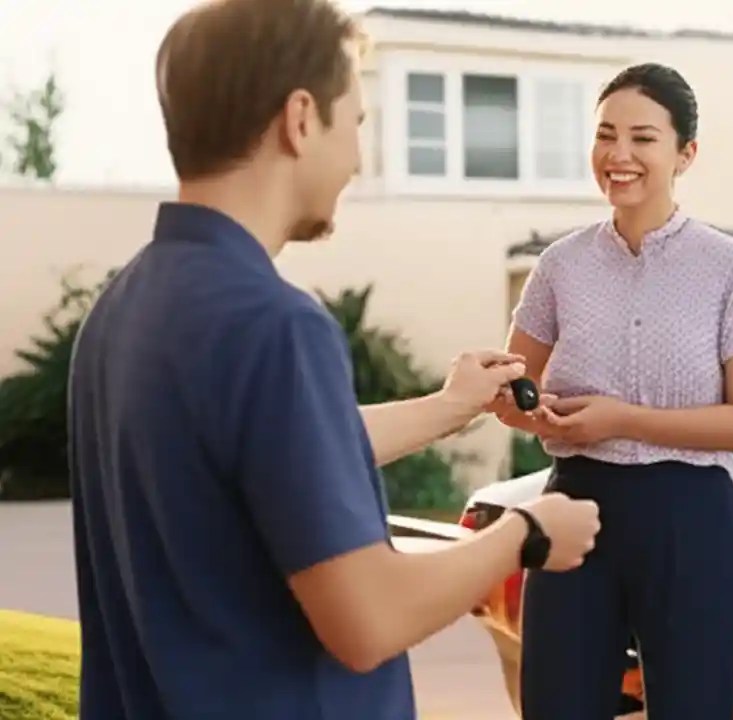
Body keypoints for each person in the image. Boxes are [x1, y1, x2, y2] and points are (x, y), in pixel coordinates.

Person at [67, 1, 600, 719]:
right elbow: (368, 620)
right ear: (299, 119)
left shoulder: (122, 311)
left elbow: (272, 456)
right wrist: (525, 536)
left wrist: (449, 408)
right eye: (355, 124)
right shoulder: (276, 325)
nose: (355, 157)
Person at [491, 62, 733, 719]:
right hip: (574, 505)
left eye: (643, 138)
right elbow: (515, 391)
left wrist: (622, 419)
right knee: (557, 705)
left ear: (685, 154)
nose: (619, 155)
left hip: (690, 514)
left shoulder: (732, 268)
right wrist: (533, 413)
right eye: (605, 135)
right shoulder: (559, 265)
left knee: (694, 708)